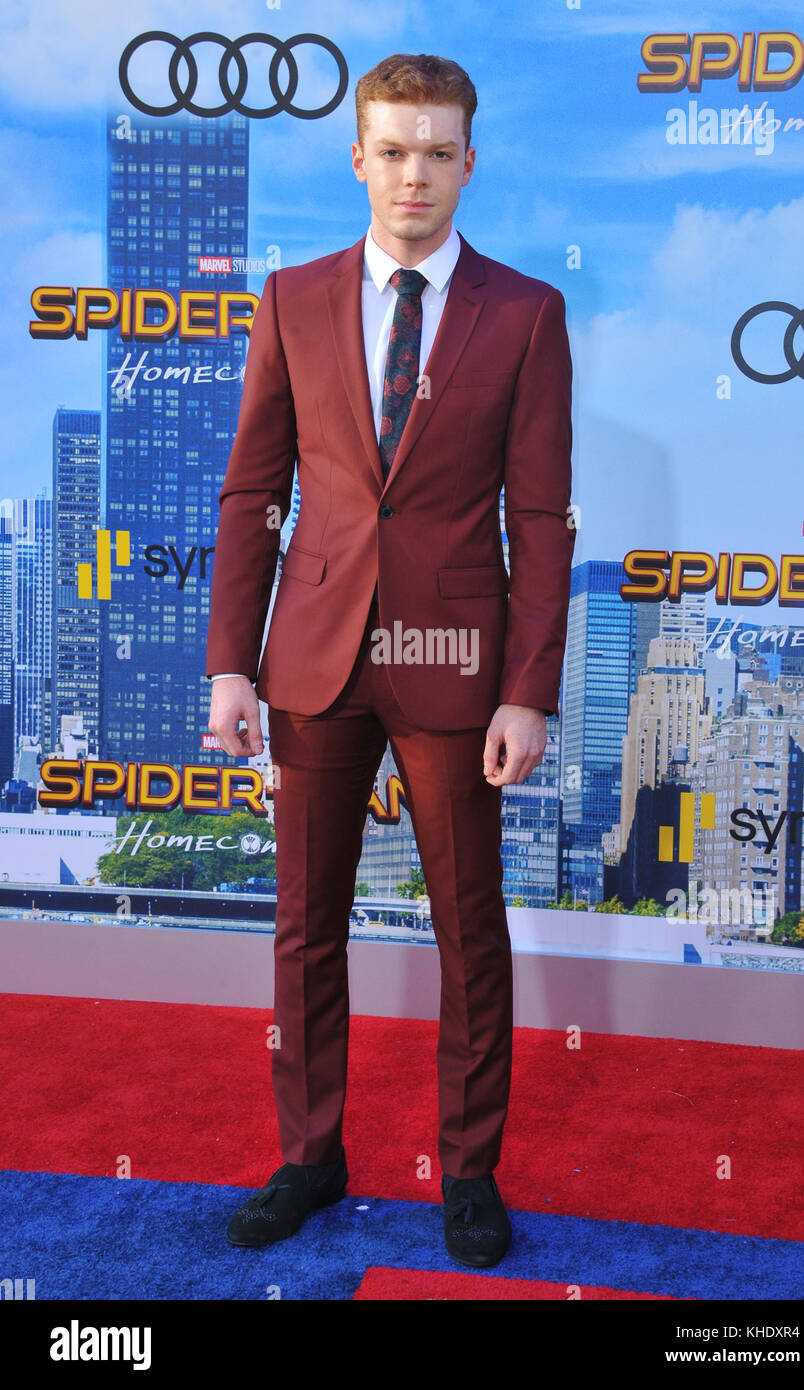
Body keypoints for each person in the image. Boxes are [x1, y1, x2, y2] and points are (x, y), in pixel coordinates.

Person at [206, 52, 575, 1269]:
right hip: (311, 657)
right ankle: (311, 1155)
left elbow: (542, 518)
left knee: (470, 926)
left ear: (470, 160)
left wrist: (527, 687)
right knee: (304, 927)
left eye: (439, 150)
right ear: (357, 158)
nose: (416, 174)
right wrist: (229, 666)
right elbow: (255, 489)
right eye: (395, 149)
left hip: (456, 662)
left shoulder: (525, 313)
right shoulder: (290, 297)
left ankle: (466, 1171)